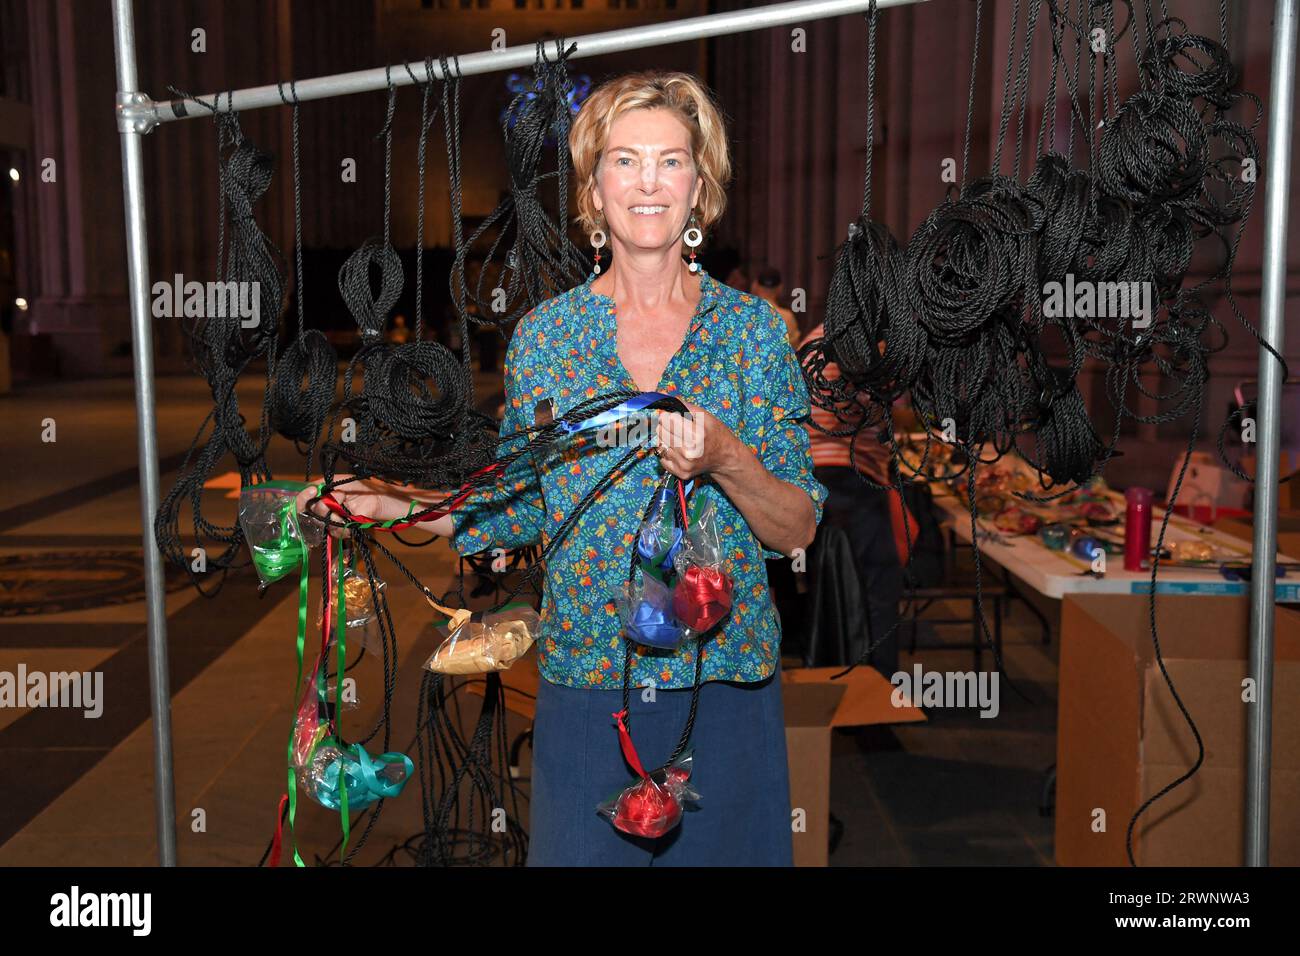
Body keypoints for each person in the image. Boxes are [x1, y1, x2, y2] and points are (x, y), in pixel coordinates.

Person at [302, 71, 825, 867]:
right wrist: (383, 503)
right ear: (594, 189)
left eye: (671, 160)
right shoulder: (549, 338)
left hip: (722, 688)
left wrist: (726, 456)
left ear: (700, 187)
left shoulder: (753, 333)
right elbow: (510, 508)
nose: (648, 182)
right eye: (624, 160)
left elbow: (797, 525)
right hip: (588, 687)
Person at [798, 320, 913, 680]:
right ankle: (876, 700)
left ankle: (836, 683)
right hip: (848, 474)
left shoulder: (817, 338)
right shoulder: (857, 336)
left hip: (816, 476)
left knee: (834, 586)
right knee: (877, 589)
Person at [752, 267, 800, 347]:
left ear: (755, 285)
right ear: (780, 288)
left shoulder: (743, 314)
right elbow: (794, 350)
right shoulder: (787, 317)